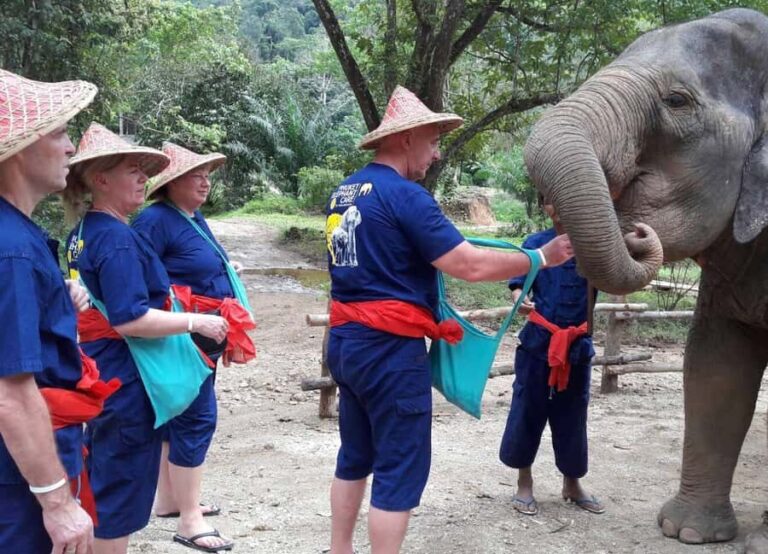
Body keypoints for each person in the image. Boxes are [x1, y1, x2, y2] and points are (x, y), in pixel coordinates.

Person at [324, 85, 574, 554]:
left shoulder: (345, 191)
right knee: (399, 468)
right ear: (407, 138)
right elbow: (469, 265)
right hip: (387, 351)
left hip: (344, 343)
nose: (437, 153)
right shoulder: (407, 196)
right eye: (434, 140)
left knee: (355, 455)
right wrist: (539, 258)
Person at [62, 123, 229, 554]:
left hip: (99, 366)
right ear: (100, 179)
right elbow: (129, 319)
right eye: (132, 170)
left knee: (102, 476)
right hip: (125, 374)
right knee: (120, 489)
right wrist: (196, 323)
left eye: (143, 170)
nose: (142, 179)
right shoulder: (116, 237)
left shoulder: (83, 233)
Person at [133, 142, 257, 552]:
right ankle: (190, 519)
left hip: (206, 334)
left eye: (207, 175)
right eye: (195, 175)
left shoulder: (191, 217)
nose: (205, 182)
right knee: (196, 418)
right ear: (171, 184)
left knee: (177, 418)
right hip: (183, 338)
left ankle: (169, 500)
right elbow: (143, 282)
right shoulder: (154, 221)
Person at [0, 68, 97, 553]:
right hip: (17, 473)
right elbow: (9, 393)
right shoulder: (11, 247)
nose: (70, 147)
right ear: (19, 149)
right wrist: (56, 502)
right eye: (59, 133)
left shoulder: (16, 238)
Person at [499, 200, 603, 516]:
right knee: (528, 410)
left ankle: (572, 483)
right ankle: (524, 482)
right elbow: (517, 282)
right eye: (557, 201)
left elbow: (619, 275)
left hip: (576, 347)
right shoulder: (534, 244)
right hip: (537, 344)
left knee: (573, 416)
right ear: (548, 207)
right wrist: (520, 296)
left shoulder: (594, 247)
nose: (563, 207)